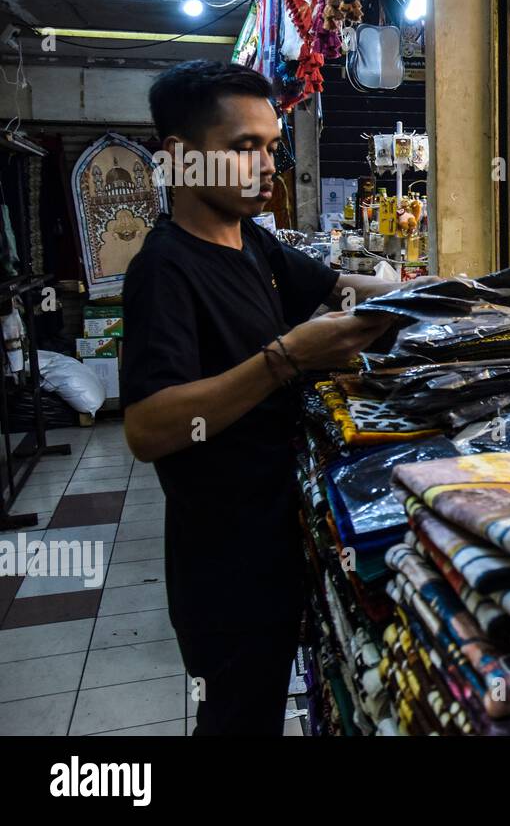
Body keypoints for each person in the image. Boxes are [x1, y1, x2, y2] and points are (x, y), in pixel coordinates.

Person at [123, 61, 401, 735]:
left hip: (278, 536)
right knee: (236, 718)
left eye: (272, 147)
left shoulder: (253, 242)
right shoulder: (164, 269)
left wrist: (452, 296)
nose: (264, 165)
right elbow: (150, 426)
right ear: (179, 158)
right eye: (243, 148)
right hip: (224, 562)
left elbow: (334, 286)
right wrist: (287, 357)